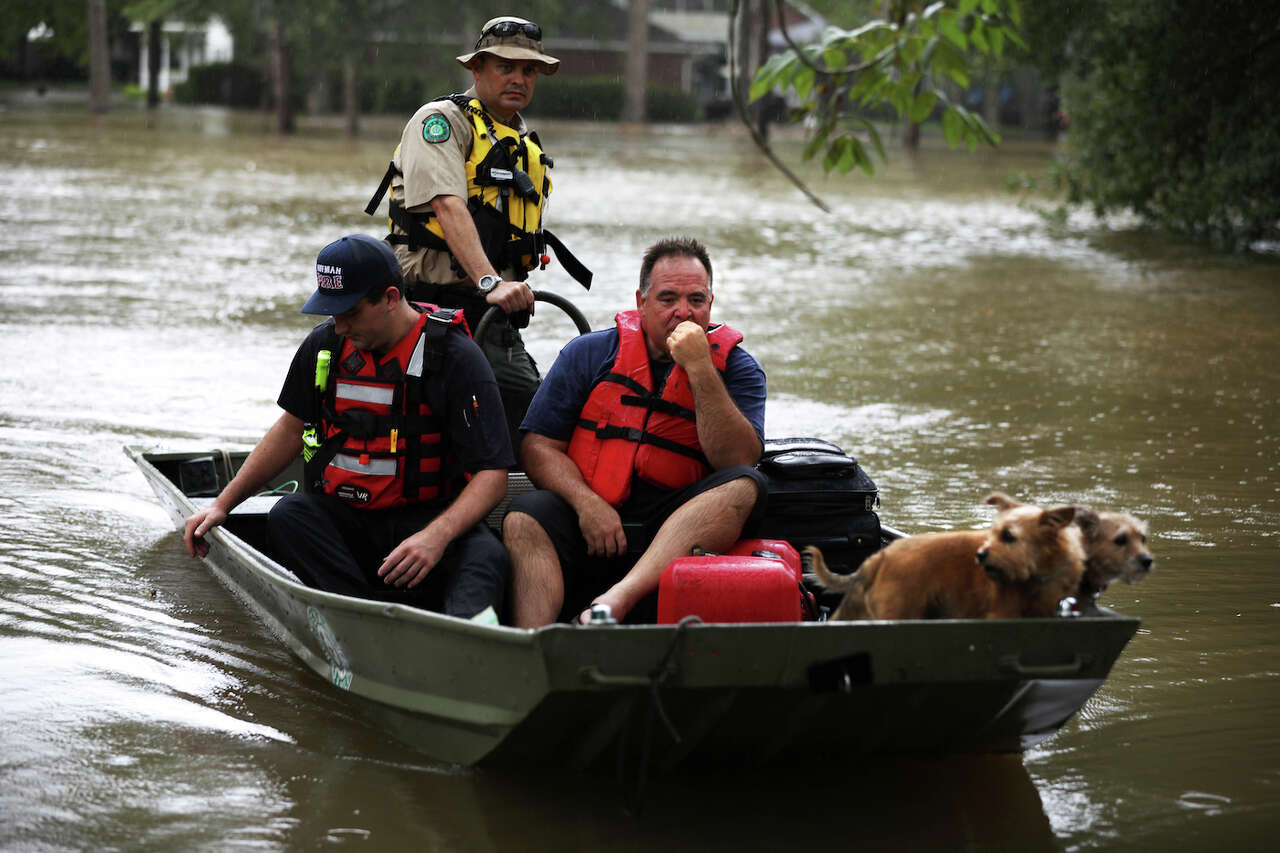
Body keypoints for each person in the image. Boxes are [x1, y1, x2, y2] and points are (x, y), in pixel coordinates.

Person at [183, 233, 513, 620]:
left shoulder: (455, 356)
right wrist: (223, 504)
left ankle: (469, 636)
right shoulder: (323, 345)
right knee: (289, 516)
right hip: (347, 523)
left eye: (350, 313)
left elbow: (493, 475)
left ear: (391, 298)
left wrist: (436, 536)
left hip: (427, 520)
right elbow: (290, 429)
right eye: (332, 312)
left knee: (487, 553)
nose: (339, 327)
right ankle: (357, 620)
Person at [502, 237, 768, 627]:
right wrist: (587, 504)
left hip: (677, 527)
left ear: (710, 305)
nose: (683, 312)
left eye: (696, 300)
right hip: (589, 521)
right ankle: (534, 644)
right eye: (667, 299)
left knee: (747, 484)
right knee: (524, 516)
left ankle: (617, 601)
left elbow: (738, 460)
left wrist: (699, 368)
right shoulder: (588, 354)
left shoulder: (739, 369)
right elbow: (537, 447)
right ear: (641, 302)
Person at [364, 14, 591, 449]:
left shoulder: (520, 140)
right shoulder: (442, 122)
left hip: (494, 315)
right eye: (506, 66)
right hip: (427, 305)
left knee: (533, 419)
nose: (519, 79)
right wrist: (490, 280)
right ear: (477, 68)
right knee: (430, 424)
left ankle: (516, 504)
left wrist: (498, 288)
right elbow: (446, 204)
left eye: (529, 70)